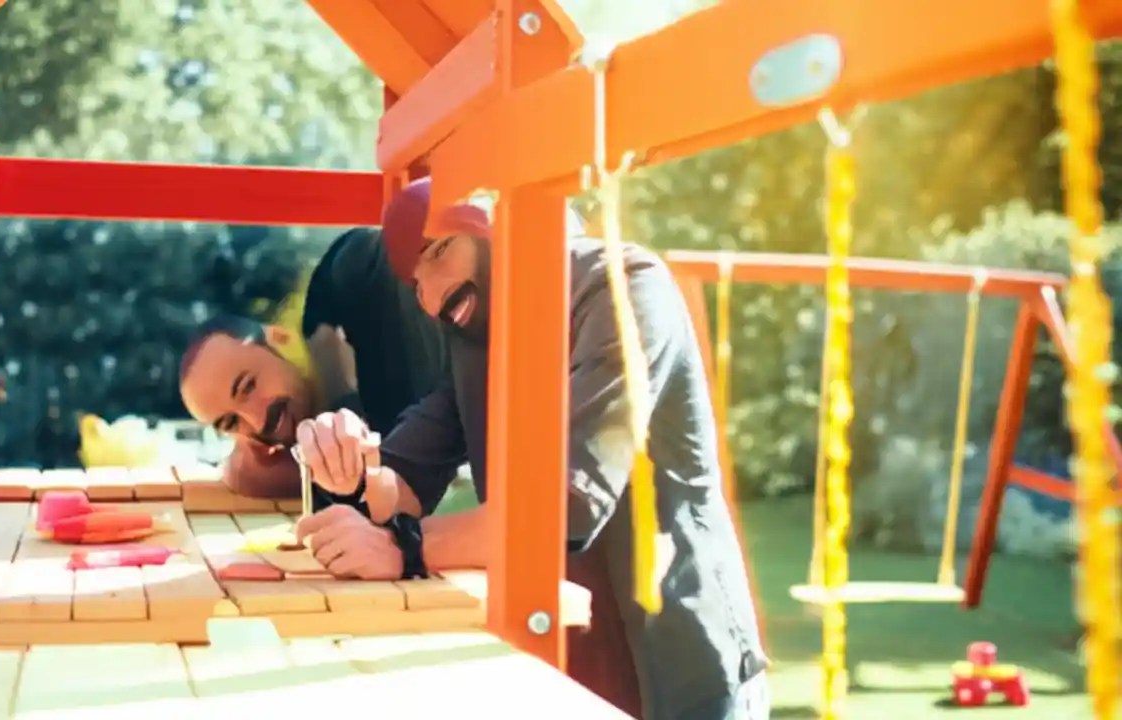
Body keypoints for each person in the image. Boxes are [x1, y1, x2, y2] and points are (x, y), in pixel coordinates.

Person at [292, 178, 770, 719]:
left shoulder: (623, 288)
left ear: (494, 224)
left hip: (680, 662)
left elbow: (564, 507)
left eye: (440, 250)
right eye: (414, 279)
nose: (428, 293)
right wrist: (347, 464)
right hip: (572, 668)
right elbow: (402, 478)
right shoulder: (478, 336)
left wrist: (406, 547)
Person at [177, 225, 451, 507]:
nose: (258, 421)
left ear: (279, 338)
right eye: (232, 422)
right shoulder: (342, 415)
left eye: (248, 386)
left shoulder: (355, 280)